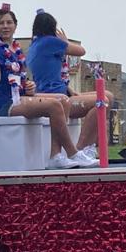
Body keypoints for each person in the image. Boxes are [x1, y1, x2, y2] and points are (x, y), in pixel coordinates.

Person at [0, 4, 97, 169]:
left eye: (9, 22)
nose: (5, 26)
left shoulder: (16, 49)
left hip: (21, 97)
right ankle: (72, 152)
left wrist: (29, 86)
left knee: (63, 99)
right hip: (4, 103)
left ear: (15, 26)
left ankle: (55, 155)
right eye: (1, 23)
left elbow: (19, 79)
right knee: (54, 105)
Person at [26, 9, 114, 158]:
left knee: (109, 96)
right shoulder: (50, 42)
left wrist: (68, 87)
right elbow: (81, 51)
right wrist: (65, 41)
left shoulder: (35, 45)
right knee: (102, 101)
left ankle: (91, 146)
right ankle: (80, 148)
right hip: (55, 96)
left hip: (57, 90)